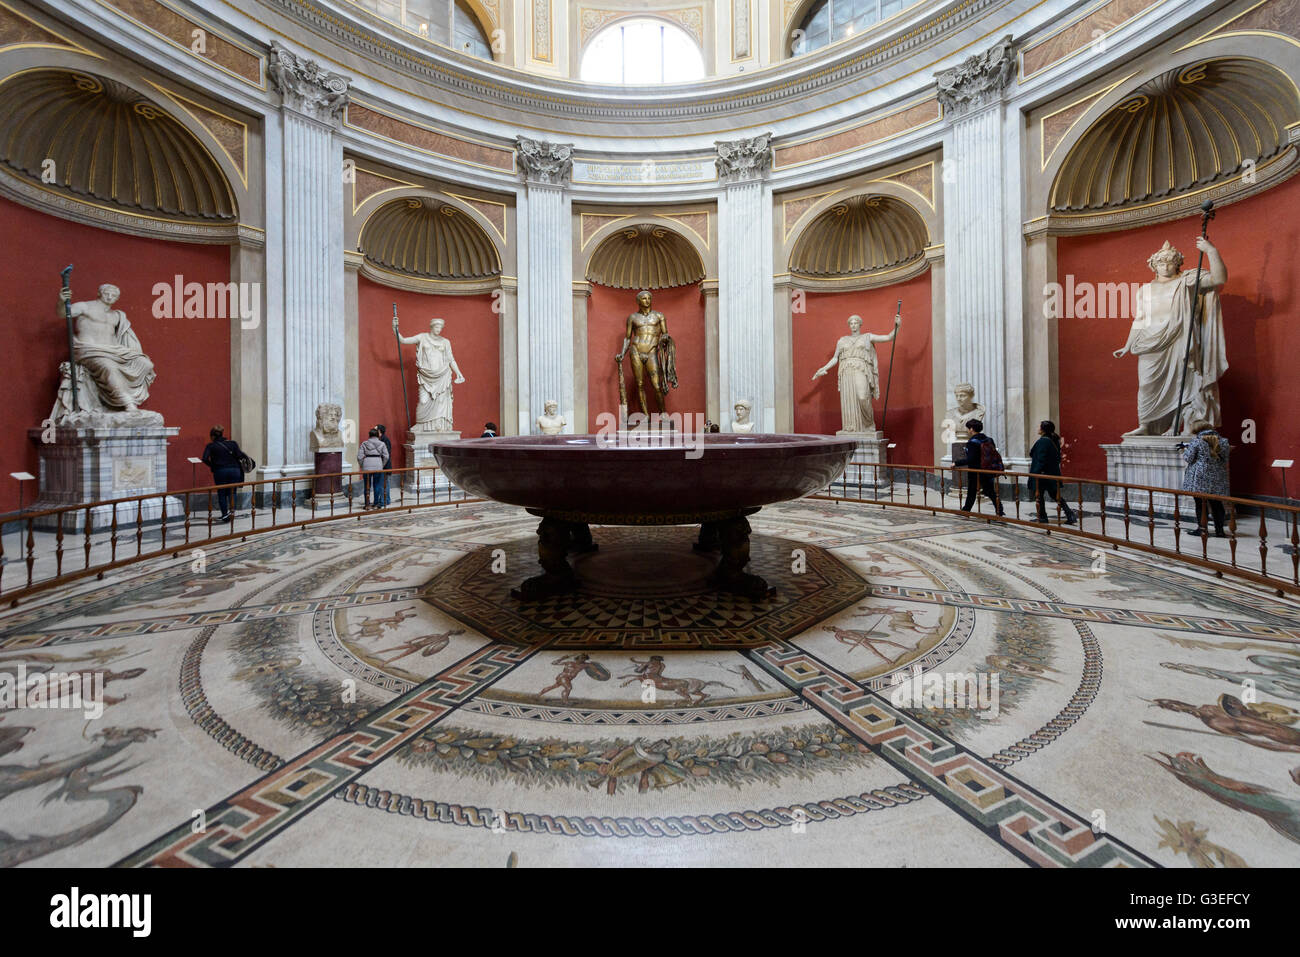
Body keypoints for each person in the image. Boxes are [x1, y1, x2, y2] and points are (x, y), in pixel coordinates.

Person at [1181, 419, 1231, 537]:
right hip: (1218, 475)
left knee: (1200, 504)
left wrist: (1184, 450)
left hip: (1200, 475)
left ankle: (1202, 529)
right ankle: (1220, 531)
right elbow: (1226, 459)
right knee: (1217, 503)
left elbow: (1188, 458)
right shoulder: (1223, 441)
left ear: (1196, 429)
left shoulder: (1197, 441)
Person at [1029, 420, 1076, 525]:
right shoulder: (1053, 439)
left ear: (1043, 429)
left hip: (1042, 474)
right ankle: (1070, 514)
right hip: (1052, 473)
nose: (1038, 428)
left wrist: (1035, 473)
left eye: (1039, 427)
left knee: (1039, 496)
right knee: (1055, 495)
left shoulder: (1043, 441)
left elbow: (1040, 458)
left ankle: (1042, 517)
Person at [960, 419, 1005, 516]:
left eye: (968, 429)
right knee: (990, 491)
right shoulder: (989, 439)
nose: (968, 431)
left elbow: (970, 459)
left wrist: (956, 463)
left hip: (975, 470)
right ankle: (999, 510)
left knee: (972, 491)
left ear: (971, 429)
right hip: (988, 469)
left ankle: (966, 510)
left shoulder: (972, 442)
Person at [201, 426, 245, 522]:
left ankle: (224, 515)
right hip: (235, 470)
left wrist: (213, 465)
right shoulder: (232, 443)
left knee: (222, 493)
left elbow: (204, 458)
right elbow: (240, 455)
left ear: (212, 436)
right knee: (232, 492)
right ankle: (232, 512)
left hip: (220, 471)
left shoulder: (211, 446)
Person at [359, 428, 389, 509]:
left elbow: (359, 457)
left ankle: (367, 504)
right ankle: (376, 504)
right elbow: (386, 456)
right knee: (377, 485)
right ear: (377, 435)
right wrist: (382, 465)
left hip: (367, 465)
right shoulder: (382, 444)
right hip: (378, 464)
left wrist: (362, 465)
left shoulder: (364, 444)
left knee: (367, 486)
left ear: (369, 435)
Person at [374, 424, 392, 507]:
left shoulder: (385, 440)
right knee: (384, 484)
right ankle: (386, 500)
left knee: (383, 484)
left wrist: (381, 464)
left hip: (384, 466)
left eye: (375, 429)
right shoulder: (382, 439)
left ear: (379, 431)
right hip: (383, 465)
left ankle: (384, 500)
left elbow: (386, 454)